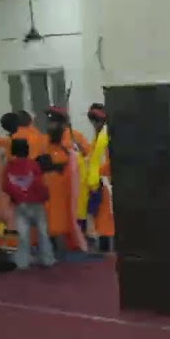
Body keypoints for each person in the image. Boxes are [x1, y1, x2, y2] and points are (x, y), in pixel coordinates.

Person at [41, 107, 91, 252]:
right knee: (52, 218)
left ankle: (76, 246)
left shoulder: (75, 136)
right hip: (51, 186)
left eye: (54, 121)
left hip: (71, 185)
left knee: (73, 215)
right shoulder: (45, 139)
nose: (51, 124)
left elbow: (87, 154)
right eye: (50, 121)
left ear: (63, 123)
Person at [2, 139, 56, 270]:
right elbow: (40, 184)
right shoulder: (33, 165)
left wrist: (17, 196)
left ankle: (22, 262)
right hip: (37, 204)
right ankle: (47, 259)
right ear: (27, 149)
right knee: (43, 232)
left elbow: (6, 186)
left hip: (20, 205)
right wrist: (45, 196)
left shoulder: (9, 167)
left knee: (23, 235)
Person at [80, 104, 114, 252]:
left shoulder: (105, 137)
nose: (94, 124)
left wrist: (99, 171)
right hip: (98, 182)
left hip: (105, 182)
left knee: (105, 217)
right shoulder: (100, 137)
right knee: (101, 218)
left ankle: (106, 249)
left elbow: (108, 161)